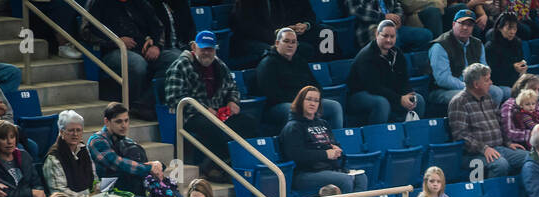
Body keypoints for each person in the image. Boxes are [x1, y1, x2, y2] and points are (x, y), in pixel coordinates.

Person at [162, 31, 259, 181]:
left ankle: (218, 166)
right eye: (203, 49)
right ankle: (216, 167)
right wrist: (202, 109)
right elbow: (173, 98)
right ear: (194, 47)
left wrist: (232, 101)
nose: (207, 53)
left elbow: (232, 87)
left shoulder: (219, 65)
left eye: (210, 49)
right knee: (215, 129)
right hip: (191, 116)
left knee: (249, 122)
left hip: (218, 114)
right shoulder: (180, 65)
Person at [87, 0, 178, 121]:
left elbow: (157, 26)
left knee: (175, 60)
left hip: (144, 48)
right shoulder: (97, 3)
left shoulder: (141, 3)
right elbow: (87, 32)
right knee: (137, 64)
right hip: (113, 50)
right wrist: (115, 41)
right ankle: (132, 104)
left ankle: (144, 103)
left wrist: (156, 45)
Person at [88, 102, 171, 197]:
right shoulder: (97, 141)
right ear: (107, 122)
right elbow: (118, 163)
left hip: (127, 189)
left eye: (126, 121)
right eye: (119, 121)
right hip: (106, 193)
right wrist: (150, 168)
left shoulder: (127, 141)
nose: (124, 125)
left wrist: (157, 166)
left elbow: (138, 164)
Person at [280, 85, 368, 195]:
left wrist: (337, 149)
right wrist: (325, 154)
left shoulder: (323, 123)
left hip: (329, 169)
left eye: (316, 101)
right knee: (345, 180)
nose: (312, 103)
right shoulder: (293, 127)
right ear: (300, 101)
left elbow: (333, 143)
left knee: (361, 178)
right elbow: (296, 155)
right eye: (309, 99)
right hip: (305, 173)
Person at [255, 27, 345, 130]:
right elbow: (273, 95)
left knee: (334, 106)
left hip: (303, 102)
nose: (290, 45)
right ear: (277, 43)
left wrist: (314, 99)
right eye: (286, 41)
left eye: (293, 42)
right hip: (277, 106)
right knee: (293, 110)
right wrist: (301, 102)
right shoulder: (267, 63)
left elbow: (315, 85)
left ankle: (334, 143)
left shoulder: (300, 60)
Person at [449, 62, 528, 177]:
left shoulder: (488, 98)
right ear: (476, 84)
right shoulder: (459, 102)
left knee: (530, 157)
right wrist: (484, 148)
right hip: (475, 154)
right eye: (487, 80)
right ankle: (492, 194)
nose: (491, 83)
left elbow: (500, 123)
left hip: (499, 148)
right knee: (501, 165)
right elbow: (461, 136)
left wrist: (508, 142)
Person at [345, 20, 418, 126]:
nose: (389, 40)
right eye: (385, 36)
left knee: (417, 99)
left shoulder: (397, 53)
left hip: (386, 92)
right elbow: (373, 87)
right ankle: (377, 138)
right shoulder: (366, 56)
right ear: (377, 34)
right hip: (359, 95)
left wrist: (408, 94)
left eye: (392, 36)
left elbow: (403, 79)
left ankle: (410, 137)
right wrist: (399, 99)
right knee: (382, 103)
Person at [429, 10, 504, 111]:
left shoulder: (478, 44)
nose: (465, 27)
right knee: (468, 96)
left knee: (497, 92)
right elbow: (443, 79)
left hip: (474, 86)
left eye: (469, 25)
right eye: (462, 23)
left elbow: (485, 71)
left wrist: (481, 83)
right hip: (443, 90)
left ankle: (490, 122)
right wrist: (469, 86)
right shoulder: (440, 46)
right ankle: (474, 125)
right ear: (453, 24)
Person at [43, 110, 103, 197]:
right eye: (71, 130)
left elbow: (94, 177)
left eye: (78, 130)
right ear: (61, 132)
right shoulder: (53, 157)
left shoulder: (84, 150)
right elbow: (60, 192)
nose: (75, 134)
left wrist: (98, 189)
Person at [229, 0, 320, 67]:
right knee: (279, 51)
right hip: (249, 40)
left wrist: (293, 28)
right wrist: (278, 34)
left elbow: (307, 14)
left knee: (306, 48)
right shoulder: (245, 2)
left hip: (275, 37)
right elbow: (247, 28)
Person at [347, 0, 433, 52]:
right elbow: (355, 10)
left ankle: (413, 69)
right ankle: (393, 73)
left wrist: (397, 18)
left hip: (393, 27)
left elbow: (397, 6)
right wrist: (383, 17)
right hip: (370, 28)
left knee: (426, 35)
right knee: (391, 37)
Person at [499, 75, 539, 149]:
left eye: (538, 89)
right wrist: (530, 134)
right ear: (522, 89)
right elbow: (508, 132)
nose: (537, 92)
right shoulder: (509, 106)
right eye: (534, 89)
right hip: (521, 145)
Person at [485, 11, 526, 88]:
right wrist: (512, 67)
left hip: (515, 80)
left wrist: (522, 68)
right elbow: (493, 72)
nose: (512, 32)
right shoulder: (490, 46)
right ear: (500, 28)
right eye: (509, 28)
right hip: (498, 83)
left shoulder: (517, 42)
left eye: (515, 28)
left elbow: (521, 60)